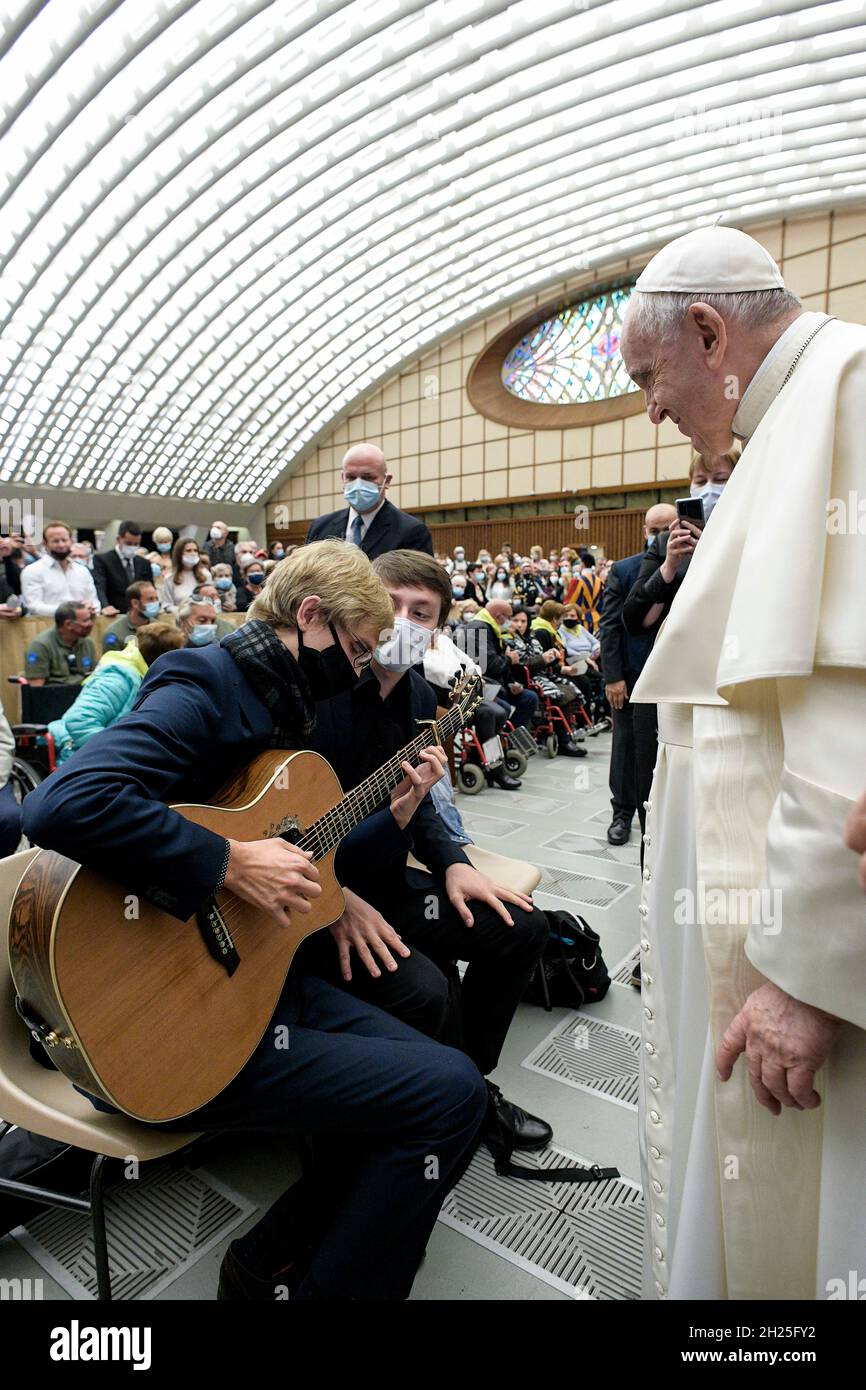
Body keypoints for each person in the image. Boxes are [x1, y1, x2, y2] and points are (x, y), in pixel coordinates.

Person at [22, 539, 487, 1302]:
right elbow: (62, 802)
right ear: (309, 617)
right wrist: (228, 863)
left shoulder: (286, 704)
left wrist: (398, 810)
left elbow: (302, 852)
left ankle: (279, 1252)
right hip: (162, 1015)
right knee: (446, 1097)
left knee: (443, 1068)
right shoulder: (206, 682)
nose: (364, 664)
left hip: (247, 977)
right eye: (358, 647)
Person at [620, 222, 866, 1300]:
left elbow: (851, 709)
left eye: (649, 378)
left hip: (800, 976)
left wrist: (806, 972)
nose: (650, 409)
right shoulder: (778, 430)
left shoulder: (845, 392)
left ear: (708, 332)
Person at [301, 547, 552, 1151]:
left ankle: (472, 1083)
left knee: (523, 928)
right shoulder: (318, 696)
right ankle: (458, 1097)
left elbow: (418, 808)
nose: (402, 620)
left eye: (422, 612)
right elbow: (286, 829)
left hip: (387, 884)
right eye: (389, 604)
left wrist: (458, 865)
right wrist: (335, 900)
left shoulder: (417, 698)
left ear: (437, 632)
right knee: (428, 989)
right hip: (316, 902)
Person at [599, 504, 677, 848]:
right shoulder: (625, 570)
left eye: (667, 528)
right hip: (632, 677)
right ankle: (622, 813)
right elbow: (611, 626)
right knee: (626, 747)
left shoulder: (695, 565)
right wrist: (613, 677)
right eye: (653, 530)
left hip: (676, 678)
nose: (659, 536)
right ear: (645, 531)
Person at [48, 623, 186, 763]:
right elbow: (79, 721)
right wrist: (123, 752)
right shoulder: (117, 679)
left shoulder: (145, 676)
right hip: (83, 761)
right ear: (164, 657)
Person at [306, 443, 433, 558]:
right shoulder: (320, 528)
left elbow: (419, 583)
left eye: (368, 477)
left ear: (386, 481)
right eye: (351, 477)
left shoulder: (411, 532)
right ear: (342, 477)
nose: (358, 484)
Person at [505, 607, 586, 758]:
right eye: (516, 620)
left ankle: (564, 735)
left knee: (574, 691)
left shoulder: (533, 639)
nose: (520, 624)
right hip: (526, 679)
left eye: (523, 621)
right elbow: (520, 667)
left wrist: (555, 661)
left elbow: (546, 663)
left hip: (543, 675)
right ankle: (563, 740)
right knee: (559, 695)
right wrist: (542, 659)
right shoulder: (508, 640)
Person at [455, 598, 538, 732]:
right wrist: (510, 659)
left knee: (529, 698)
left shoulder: (490, 627)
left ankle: (510, 736)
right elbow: (491, 666)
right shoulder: (478, 629)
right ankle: (504, 739)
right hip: (484, 686)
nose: (510, 622)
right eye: (509, 617)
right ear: (499, 616)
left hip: (496, 682)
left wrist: (512, 683)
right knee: (504, 707)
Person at [21, 521, 100, 616]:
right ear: (45, 544)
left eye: (64, 540)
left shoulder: (82, 571)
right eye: (55, 541)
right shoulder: (32, 571)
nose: (61, 545)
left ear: (71, 541)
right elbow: (34, 606)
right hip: (45, 627)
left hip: (83, 628)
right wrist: (74, 612)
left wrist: (91, 608)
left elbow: (94, 602)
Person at [24, 602, 97, 686]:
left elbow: (93, 676)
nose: (90, 624)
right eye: (85, 621)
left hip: (84, 694)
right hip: (54, 695)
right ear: (68, 624)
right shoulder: (40, 646)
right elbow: (36, 689)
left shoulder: (87, 643)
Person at [93, 522, 152, 615]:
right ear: (118, 539)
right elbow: (100, 586)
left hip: (140, 614)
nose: (132, 547)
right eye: (128, 543)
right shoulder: (103, 560)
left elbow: (149, 588)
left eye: (136, 544)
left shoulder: (144, 563)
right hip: (115, 613)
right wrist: (105, 606)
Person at [102, 580, 163, 652]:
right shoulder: (114, 633)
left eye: (156, 599)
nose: (155, 603)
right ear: (135, 603)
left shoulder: (160, 629)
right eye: (150, 599)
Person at [159, 538, 212, 611]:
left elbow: (211, 601)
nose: (193, 553)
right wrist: (185, 611)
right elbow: (167, 605)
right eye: (188, 551)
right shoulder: (170, 578)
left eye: (195, 550)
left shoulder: (206, 575)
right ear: (179, 554)